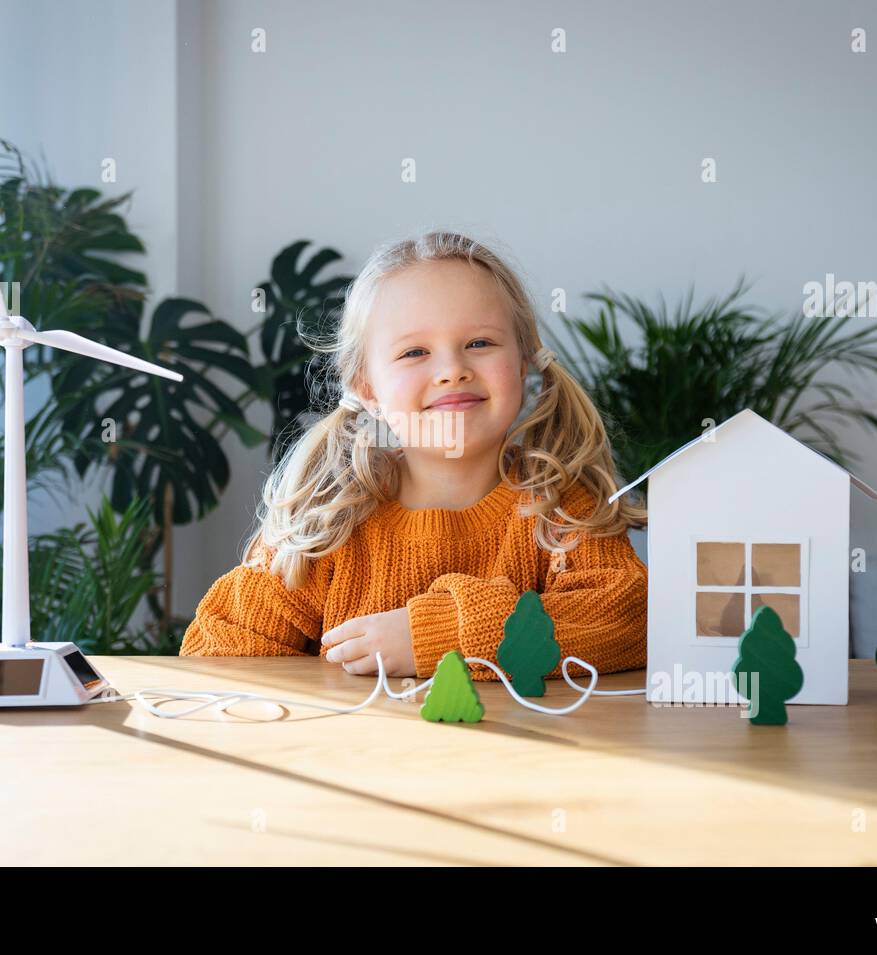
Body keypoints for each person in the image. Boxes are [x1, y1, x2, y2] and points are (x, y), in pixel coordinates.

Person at [180, 230, 648, 682]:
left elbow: (627, 620)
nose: (452, 371)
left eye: (479, 343)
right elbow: (216, 654)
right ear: (368, 388)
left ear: (525, 360)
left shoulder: (560, 505)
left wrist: (441, 636)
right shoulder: (327, 518)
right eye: (414, 352)